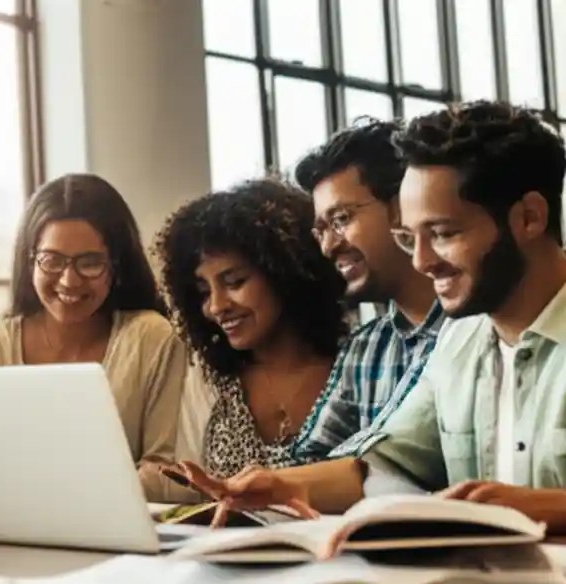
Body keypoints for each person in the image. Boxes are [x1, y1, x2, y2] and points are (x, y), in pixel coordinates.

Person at [182, 101, 566, 532]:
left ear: (530, 217)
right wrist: (280, 484)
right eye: (410, 237)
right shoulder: (461, 342)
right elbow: (380, 461)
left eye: (442, 234)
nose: (422, 262)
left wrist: (550, 507)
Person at [0, 174, 186, 504]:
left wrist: (54, 489)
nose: (69, 280)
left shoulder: (151, 338)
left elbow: (165, 470)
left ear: (117, 265)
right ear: (30, 260)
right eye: (52, 261)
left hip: (115, 536)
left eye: (90, 263)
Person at [154, 178, 348, 487]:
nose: (217, 306)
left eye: (235, 282)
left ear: (283, 273)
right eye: (203, 292)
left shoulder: (357, 366)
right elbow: (192, 493)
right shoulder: (210, 383)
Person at [291, 119, 447, 461]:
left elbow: (382, 458)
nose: (329, 246)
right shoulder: (365, 348)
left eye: (341, 219)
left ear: (404, 206)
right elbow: (308, 459)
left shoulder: (473, 329)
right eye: (321, 230)